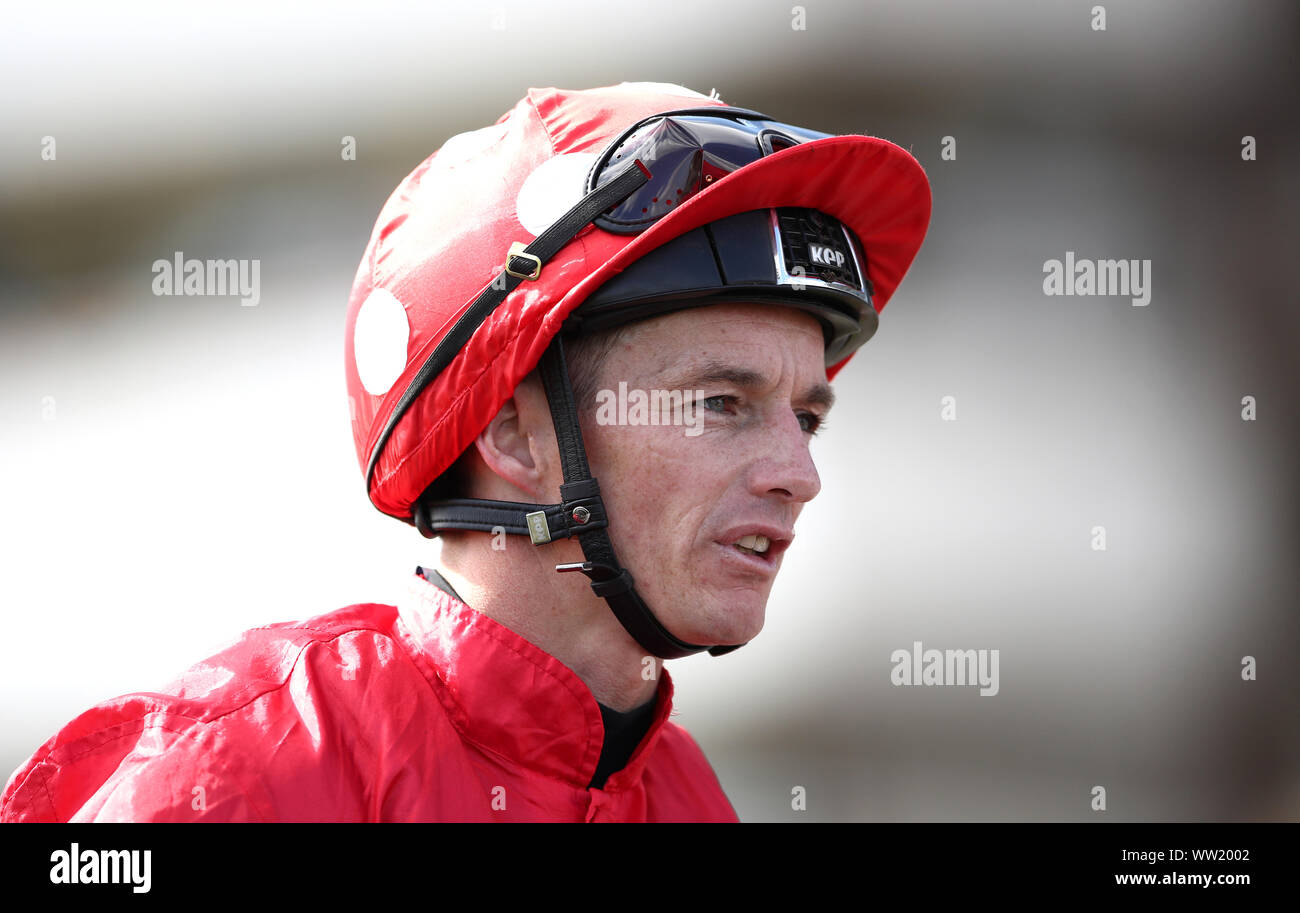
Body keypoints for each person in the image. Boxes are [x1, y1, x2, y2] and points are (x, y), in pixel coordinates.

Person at [0, 82, 930, 822]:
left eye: (806, 417)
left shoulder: (688, 797)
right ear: (514, 432)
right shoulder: (232, 774)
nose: (799, 476)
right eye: (722, 402)